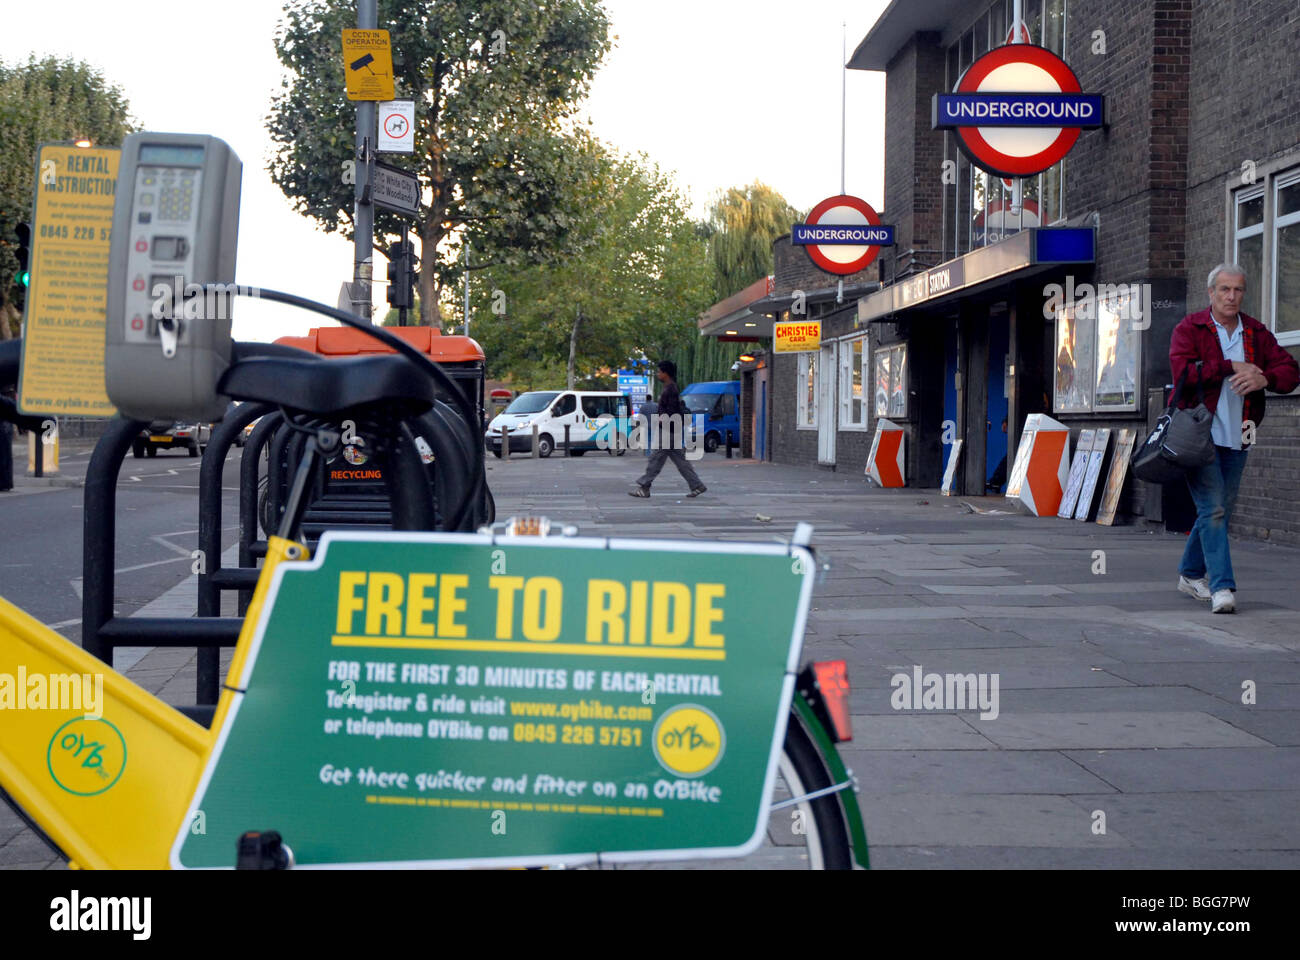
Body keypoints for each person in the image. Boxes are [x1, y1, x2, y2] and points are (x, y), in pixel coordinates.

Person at [1170, 263, 1299, 614]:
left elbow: (1291, 371)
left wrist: (1265, 380)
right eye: (1224, 289)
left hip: (1244, 430)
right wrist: (1232, 366)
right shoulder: (1191, 327)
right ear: (1211, 293)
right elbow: (1183, 372)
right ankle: (1222, 587)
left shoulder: (1256, 332)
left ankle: (1190, 572)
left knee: (1221, 509)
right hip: (1199, 434)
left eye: (1238, 290)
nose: (1231, 296)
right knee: (1213, 509)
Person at [629, 360, 706, 498]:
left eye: (659, 372)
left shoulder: (670, 389)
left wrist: (662, 418)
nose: (658, 374)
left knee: (655, 459)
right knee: (680, 461)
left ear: (665, 373)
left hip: (667, 430)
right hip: (672, 430)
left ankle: (644, 487)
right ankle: (697, 485)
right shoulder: (670, 387)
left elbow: (671, 410)